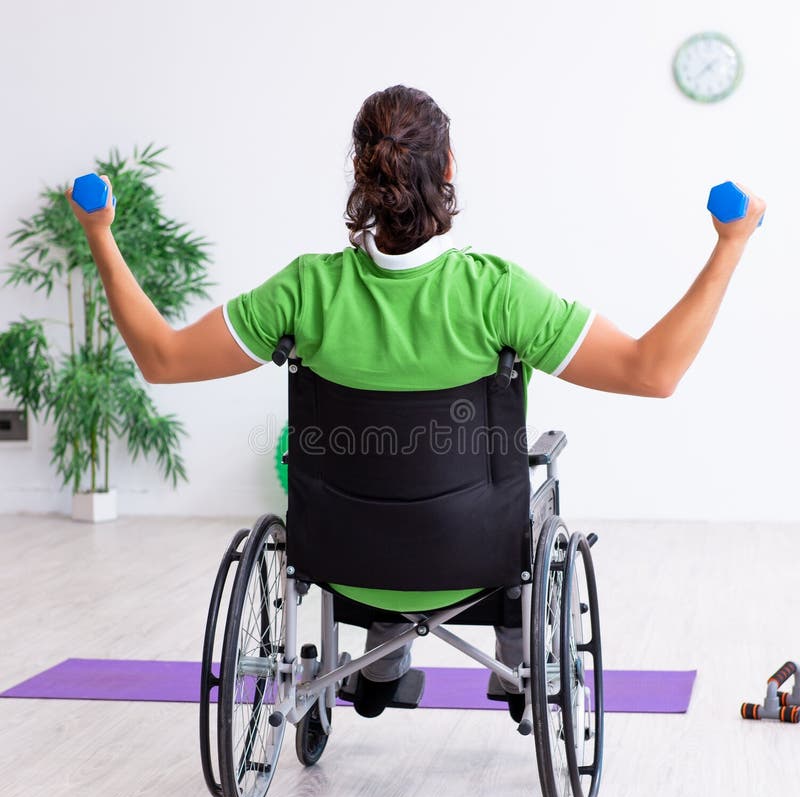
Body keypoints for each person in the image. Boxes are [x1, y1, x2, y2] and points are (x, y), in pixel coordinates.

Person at [68, 84, 765, 720]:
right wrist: (730, 245)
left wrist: (100, 233)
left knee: (377, 475)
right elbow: (654, 370)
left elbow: (161, 358)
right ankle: (511, 646)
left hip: (344, 555)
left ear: (362, 175)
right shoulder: (497, 293)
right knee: (525, 478)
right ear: (449, 167)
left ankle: (383, 641)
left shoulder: (306, 291)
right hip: (476, 555)